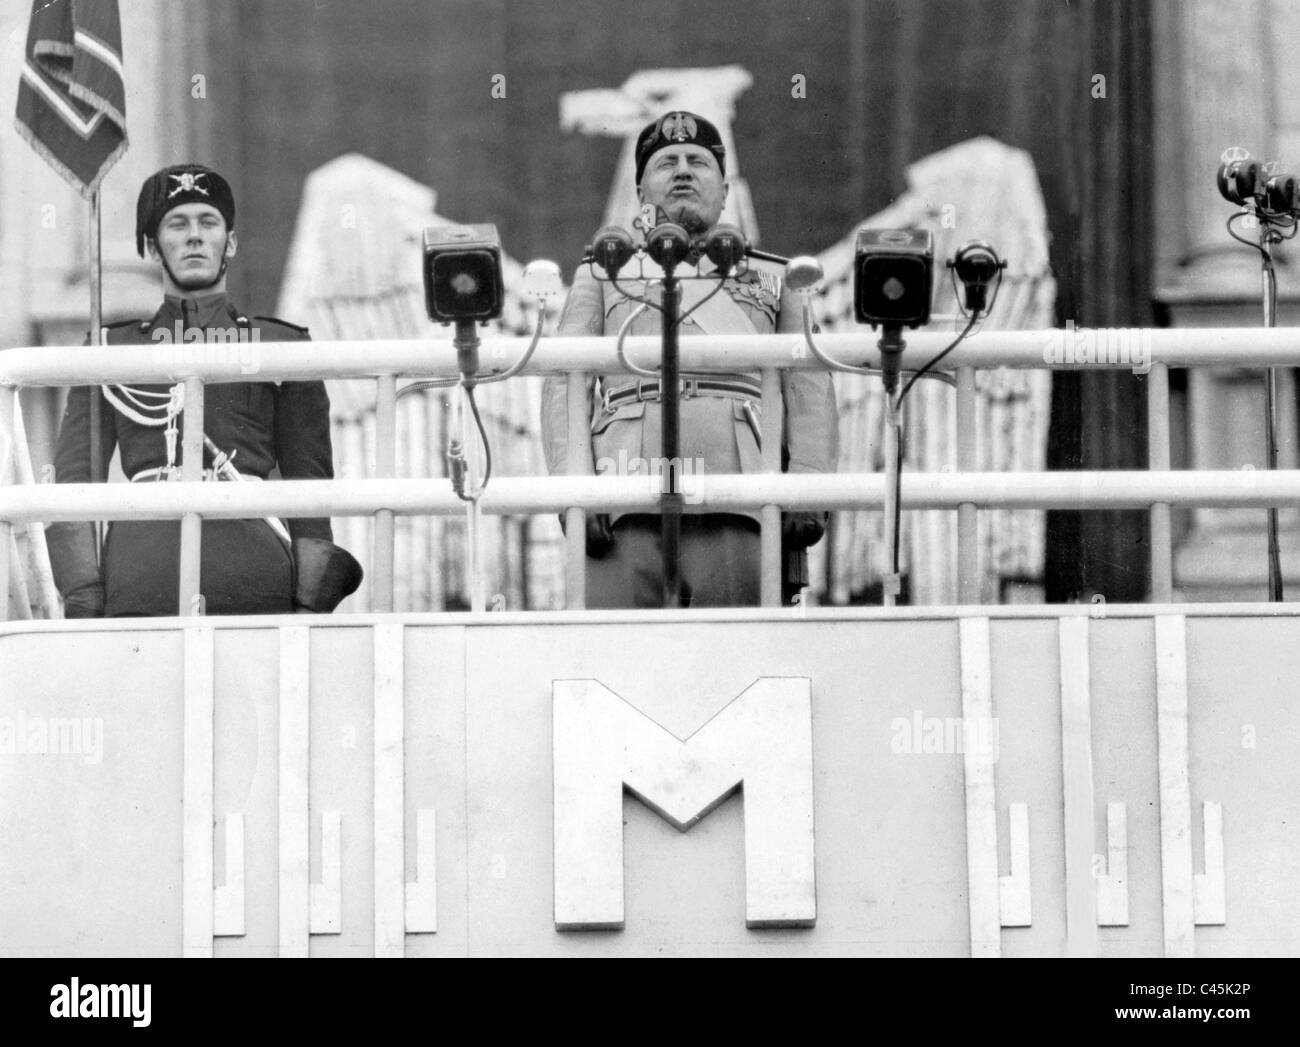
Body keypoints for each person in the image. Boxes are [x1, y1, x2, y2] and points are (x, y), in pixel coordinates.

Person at [540, 111, 838, 608]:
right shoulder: (601, 273)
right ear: (640, 193)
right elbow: (565, 383)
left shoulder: (777, 277)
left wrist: (807, 488)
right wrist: (575, 487)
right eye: (666, 163)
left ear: (724, 189)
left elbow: (808, 388)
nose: (682, 171)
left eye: (697, 162)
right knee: (617, 661)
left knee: (735, 661)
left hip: (740, 488)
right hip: (623, 487)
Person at [46, 163, 362, 617]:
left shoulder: (281, 347)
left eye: (208, 222)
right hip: (142, 570)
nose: (194, 236)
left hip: (252, 563)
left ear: (229, 242)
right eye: (177, 224)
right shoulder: (111, 349)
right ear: (153, 247)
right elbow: (73, 484)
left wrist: (308, 602)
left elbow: (308, 482)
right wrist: (85, 594)